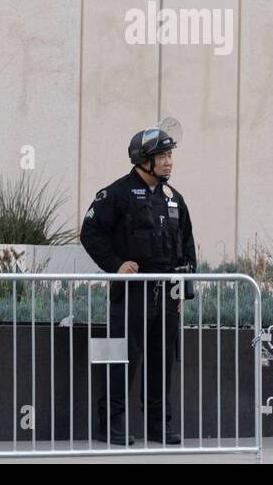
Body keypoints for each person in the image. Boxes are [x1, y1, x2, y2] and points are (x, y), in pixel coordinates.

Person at [80, 125, 196, 445]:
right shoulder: (116, 194)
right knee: (122, 359)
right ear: (143, 159)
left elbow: (187, 243)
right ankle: (112, 427)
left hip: (167, 295)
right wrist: (116, 265)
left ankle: (158, 426)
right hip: (131, 293)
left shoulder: (174, 199)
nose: (169, 162)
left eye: (170, 154)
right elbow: (90, 233)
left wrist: (185, 286)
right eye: (162, 155)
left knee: (161, 361)